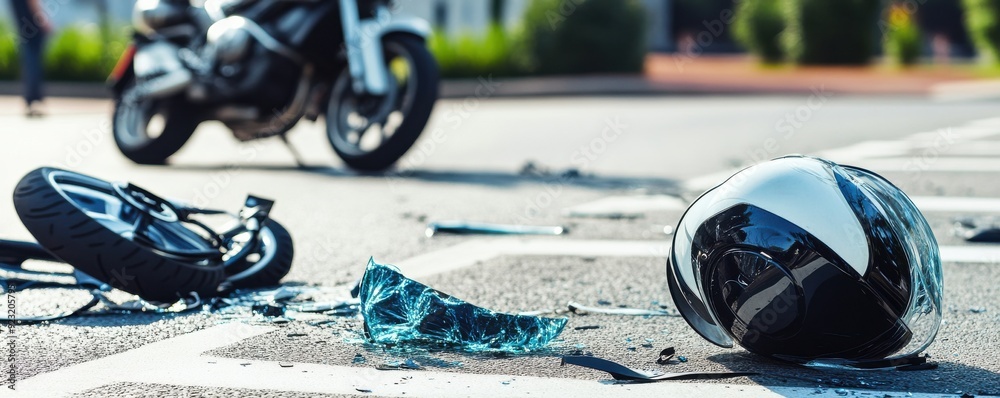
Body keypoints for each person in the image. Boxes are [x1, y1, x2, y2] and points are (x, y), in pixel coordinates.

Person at [8, 0, 51, 117]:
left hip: (23, 18)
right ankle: (34, 98)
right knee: (33, 56)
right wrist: (42, 18)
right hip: (32, 20)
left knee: (28, 54)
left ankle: (31, 98)